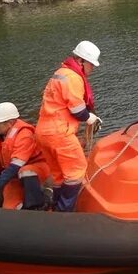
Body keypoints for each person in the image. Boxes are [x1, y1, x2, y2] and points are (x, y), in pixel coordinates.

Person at [35, 40, 103, 212]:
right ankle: (64, 212)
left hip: (44, 132)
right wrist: (90, 119)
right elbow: (77, 110)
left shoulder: (60, 73)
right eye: (91, 65)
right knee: (77, 171)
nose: (92, 69)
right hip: (60, 133)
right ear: (81, 61)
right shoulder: (73, 78)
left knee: (58, 175)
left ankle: (55, 207)